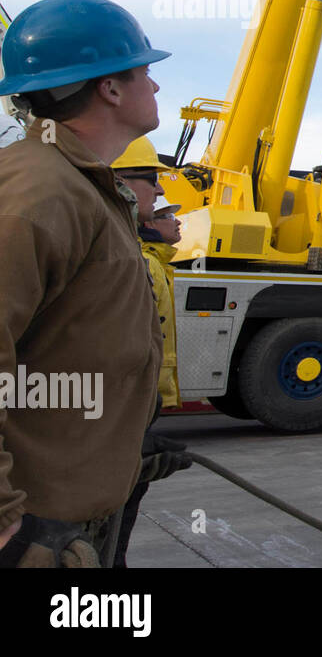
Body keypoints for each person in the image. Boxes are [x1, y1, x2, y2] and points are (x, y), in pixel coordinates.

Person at [0, 0, 169, 567]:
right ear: (110, 89)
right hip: (34, 535)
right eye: (146, 70)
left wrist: (129, 443)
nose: (156, 86)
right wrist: (6, 529)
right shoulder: (39, 192)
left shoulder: (83, 188)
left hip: (72, 521)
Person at [109, 140, 193, 567]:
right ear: (118, 182)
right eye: (151, 179)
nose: (161, 193)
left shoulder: (147, 260)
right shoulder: (130, 259)